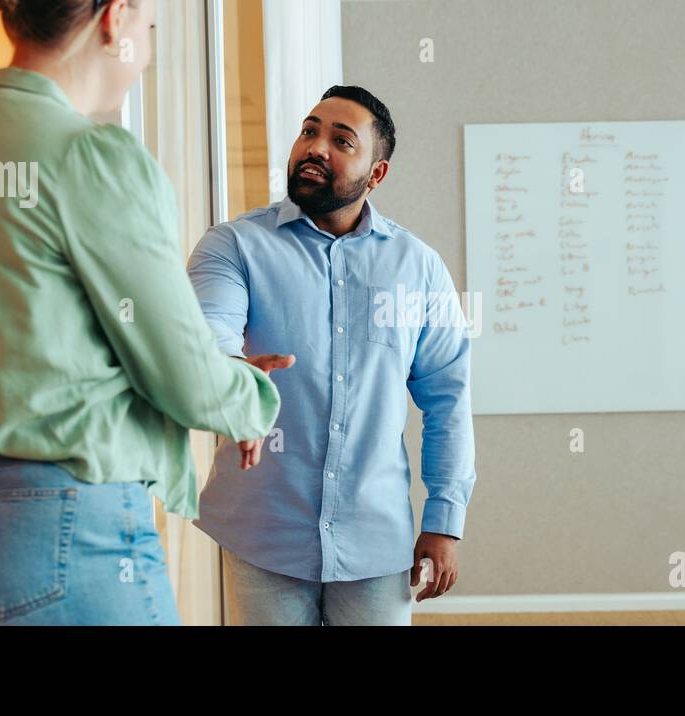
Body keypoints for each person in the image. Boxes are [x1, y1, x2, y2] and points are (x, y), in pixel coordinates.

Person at [0, 0, 284, 625]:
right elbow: (181, 375)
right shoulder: (90, 157)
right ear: (115, 17)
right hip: (44, 533)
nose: (148, 53)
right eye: (149, 29)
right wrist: (249, 396)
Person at [189, 86, 477, 626]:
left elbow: (448, 399)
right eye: (309, 130)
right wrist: (231, 375)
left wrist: (444, 519)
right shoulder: (234, 246)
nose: (316, 147)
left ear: (376, 174)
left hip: (375, 538)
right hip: (262, 532)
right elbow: (207, 333)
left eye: (341, 140)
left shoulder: (418, 268)